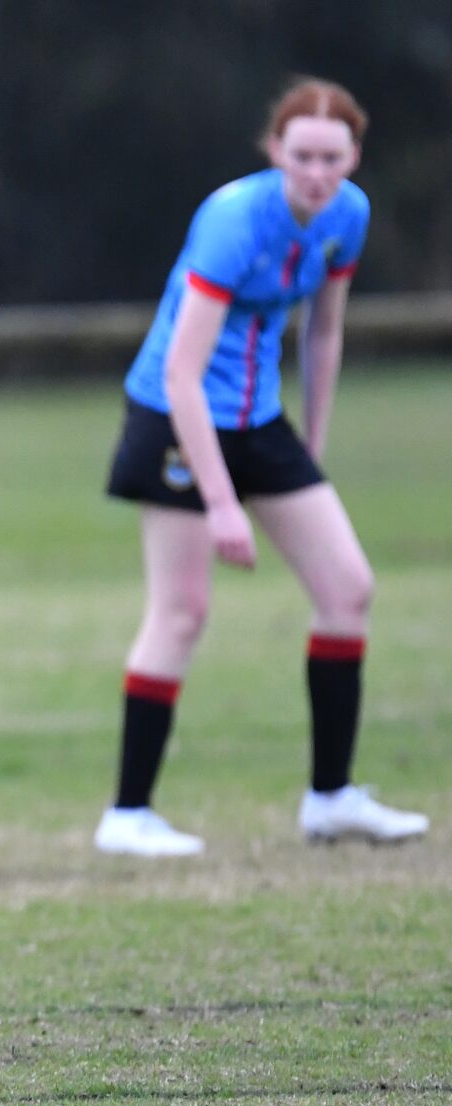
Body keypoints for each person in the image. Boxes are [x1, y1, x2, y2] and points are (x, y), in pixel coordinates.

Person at [95, 77, 429, 856]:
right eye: (302, 155)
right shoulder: (235, 220)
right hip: (174, 417)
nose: (317, 172)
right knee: (182, 611)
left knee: (348, 589)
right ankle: (128, 815)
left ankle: (331, 799)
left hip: (256, 417)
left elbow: (323, 334)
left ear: (354, 157)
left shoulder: (348, 216)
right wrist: (221, 504)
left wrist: (312, 446)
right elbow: (182, 373)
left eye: (332, 158)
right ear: (275, 149)